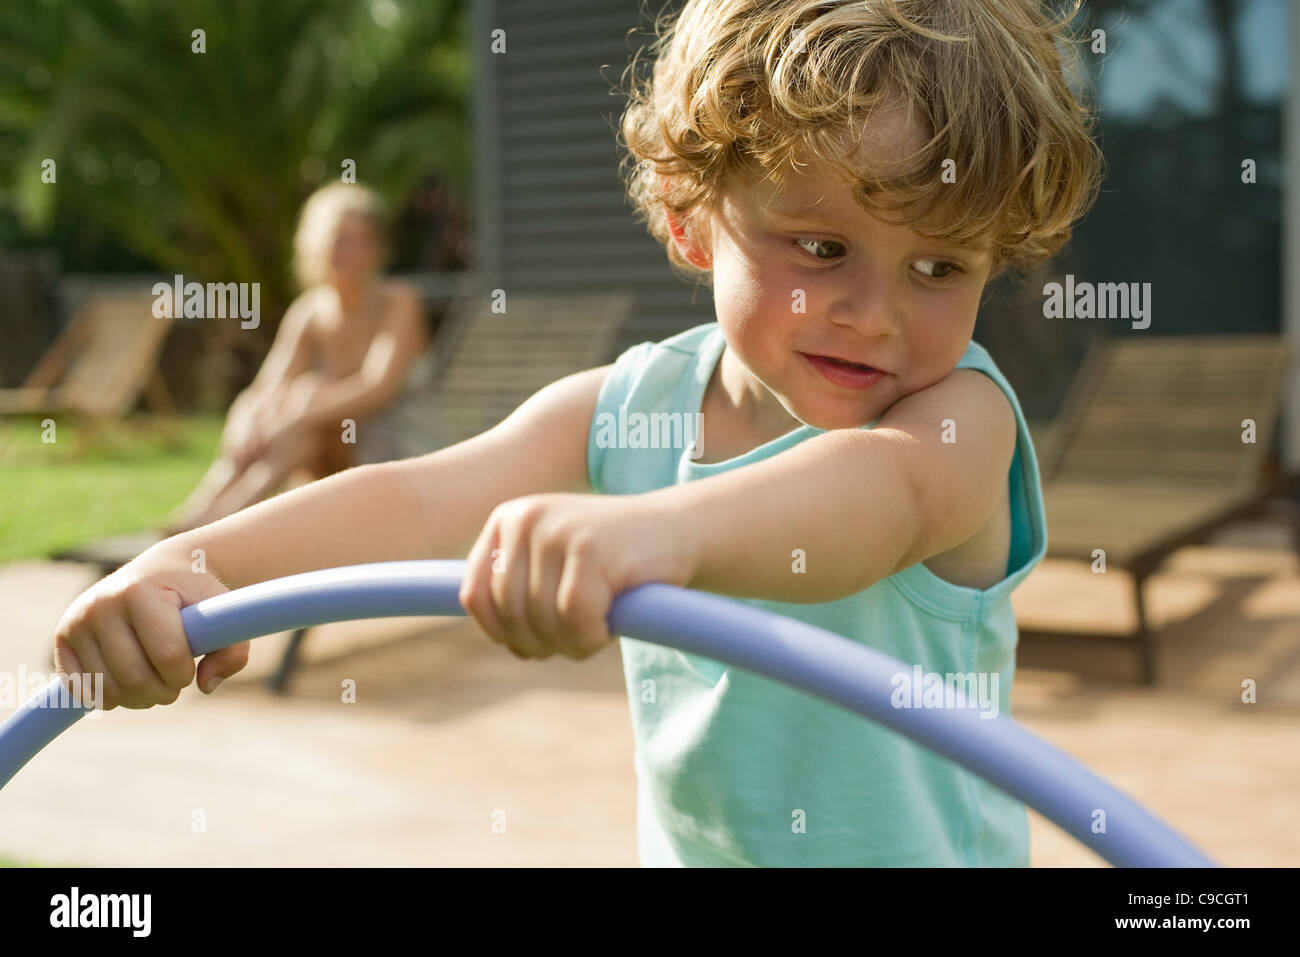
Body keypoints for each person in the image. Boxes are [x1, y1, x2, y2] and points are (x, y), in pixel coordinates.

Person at [52, 0, 1102, 866]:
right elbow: (421, 501)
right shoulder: (631, 410)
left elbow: (876, 503)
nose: (875, 313)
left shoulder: (956, 422)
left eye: (939, 268)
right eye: (821, 247)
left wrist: (660, 533)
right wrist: (197, 562)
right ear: (689, 215)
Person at [164, 182, 428, 534]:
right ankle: (209, 515)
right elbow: (267, 387)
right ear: (316, 245)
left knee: (305, 397)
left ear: (378, 249)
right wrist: (245, 422)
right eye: (340, 240)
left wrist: (300, 411)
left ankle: (209, 525)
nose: (351, 252)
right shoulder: (310, 311)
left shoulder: (399, 301)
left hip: (395, 452)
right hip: (323, 449)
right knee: (289, 404)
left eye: (362, 241)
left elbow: (377, 388)